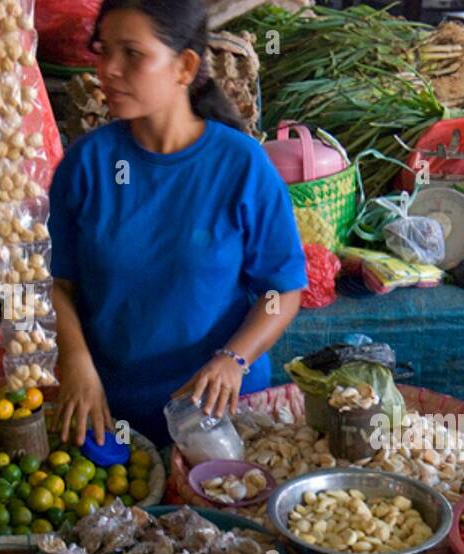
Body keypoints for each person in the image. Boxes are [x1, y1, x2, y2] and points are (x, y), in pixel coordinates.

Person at [48, 0, 307, 447]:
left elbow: (281, 291)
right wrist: (75, 361)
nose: (107, 69)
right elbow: (57, 282)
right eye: (103, 50)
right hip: (109, 413)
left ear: (185, 66)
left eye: (132, 53)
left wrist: (233, 360)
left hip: (218, 414)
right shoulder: (86, 165)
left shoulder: (242, 166)